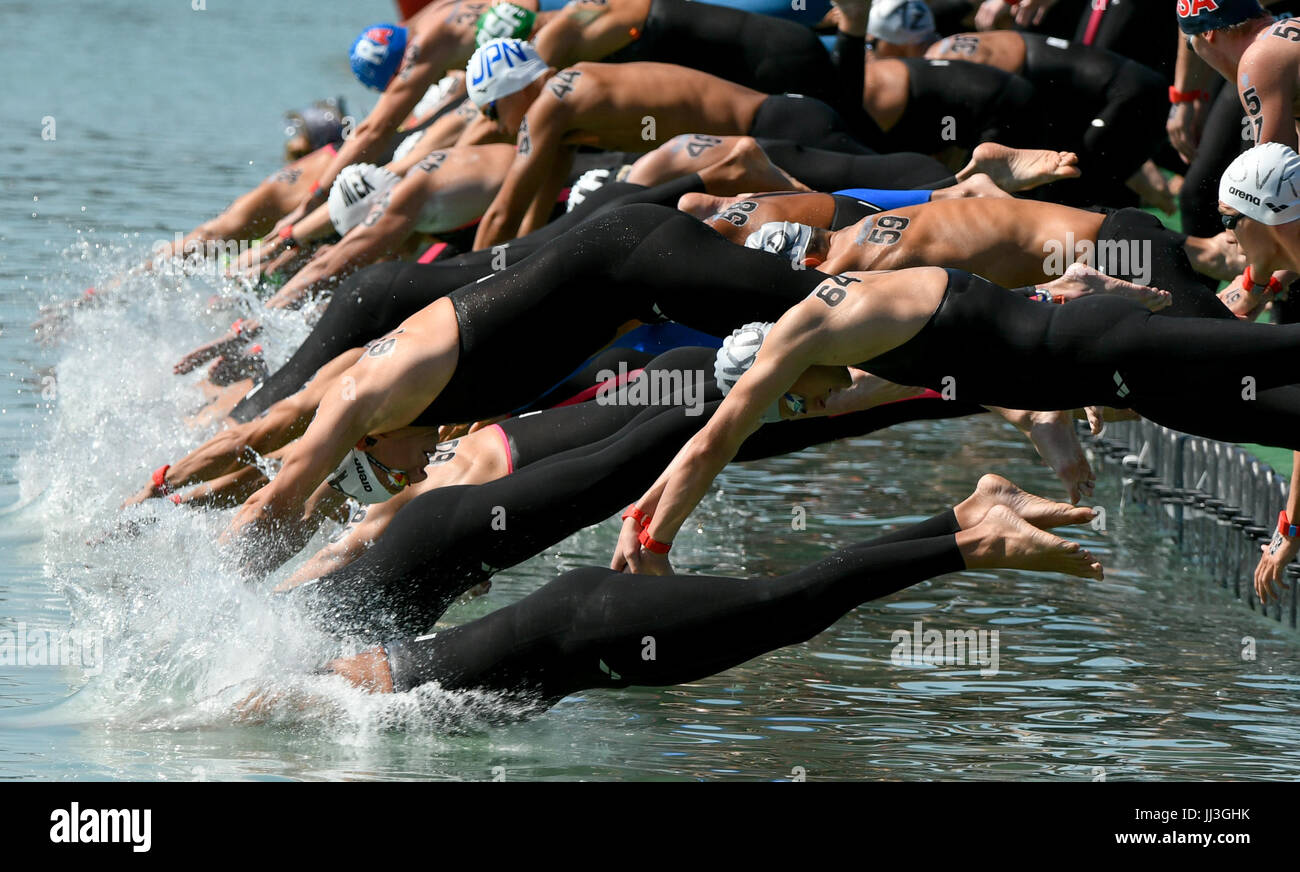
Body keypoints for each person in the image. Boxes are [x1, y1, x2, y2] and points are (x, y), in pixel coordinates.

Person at [609, 258, 1300, 574]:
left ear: (772, 369)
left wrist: (660, 545)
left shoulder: (800, 342)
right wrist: (643, 508)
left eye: (789, 400)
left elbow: (712, 442)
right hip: (1095, 344)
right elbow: (969, 329)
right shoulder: (858, 314)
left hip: (1112, 352)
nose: (809, 409)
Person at [301, 477, 1100, 709]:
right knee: (783, 606)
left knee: (784, 610)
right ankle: (965, 514)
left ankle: (975, 543)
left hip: (590, 631)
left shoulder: (365, 693)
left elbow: (271, 701)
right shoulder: (383, 682)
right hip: (591, 637)